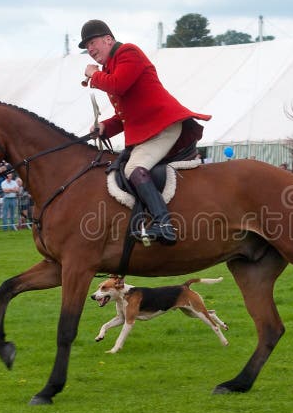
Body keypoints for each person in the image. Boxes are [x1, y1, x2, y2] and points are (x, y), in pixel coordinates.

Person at [80, 19, 211, 245]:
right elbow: (125, 116)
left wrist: (93, 74)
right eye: (87, 47)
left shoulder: (128, 52)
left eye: (92, 43)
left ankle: (164, 224)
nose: (90, 50)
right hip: (148, 131)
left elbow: (118, 84)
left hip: (163, 126)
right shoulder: (111, 67)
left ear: (108, 39)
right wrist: (105, 128)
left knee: (133, 168)